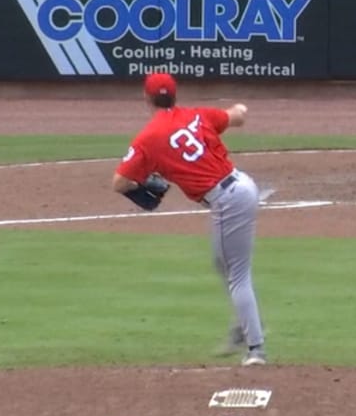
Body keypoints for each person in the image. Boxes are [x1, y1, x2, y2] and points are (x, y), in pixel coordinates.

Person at [111, 72, 270, 367]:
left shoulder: (148, 138)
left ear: (146, 99)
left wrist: (142, 185)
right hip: (243, 185)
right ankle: (243, 323)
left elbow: (119, 182)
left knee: (237, 276)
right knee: (222, 263)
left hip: (228, 200)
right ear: (174, 95)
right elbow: (238, 115)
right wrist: (236, 109)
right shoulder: (196, 115)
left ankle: (255, 348)